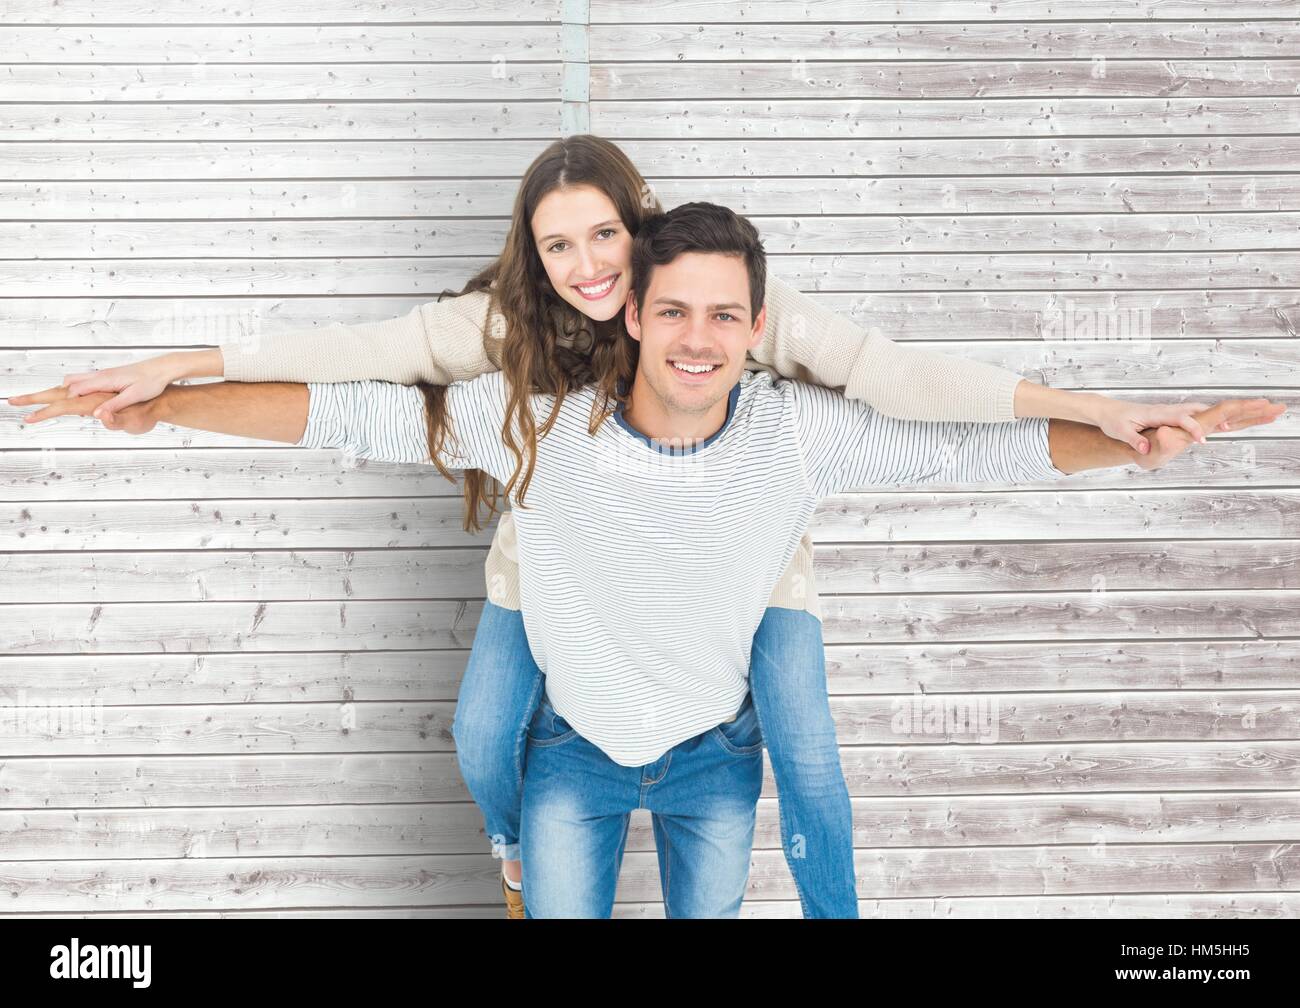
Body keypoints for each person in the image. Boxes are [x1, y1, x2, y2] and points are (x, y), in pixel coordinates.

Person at [15, 136, 1219, 918]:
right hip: (573, 746)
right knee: (482, 721)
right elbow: (351, 399)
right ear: (631, 310)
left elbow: (954, 431)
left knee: (809, 758)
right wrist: (175, 400)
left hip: (713, 734)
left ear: (752, 325)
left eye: (724, 317)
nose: (697, 335)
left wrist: (1111, 429)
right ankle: (513, 851)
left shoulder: (794, 417)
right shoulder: (521, 394)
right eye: (668, 309)